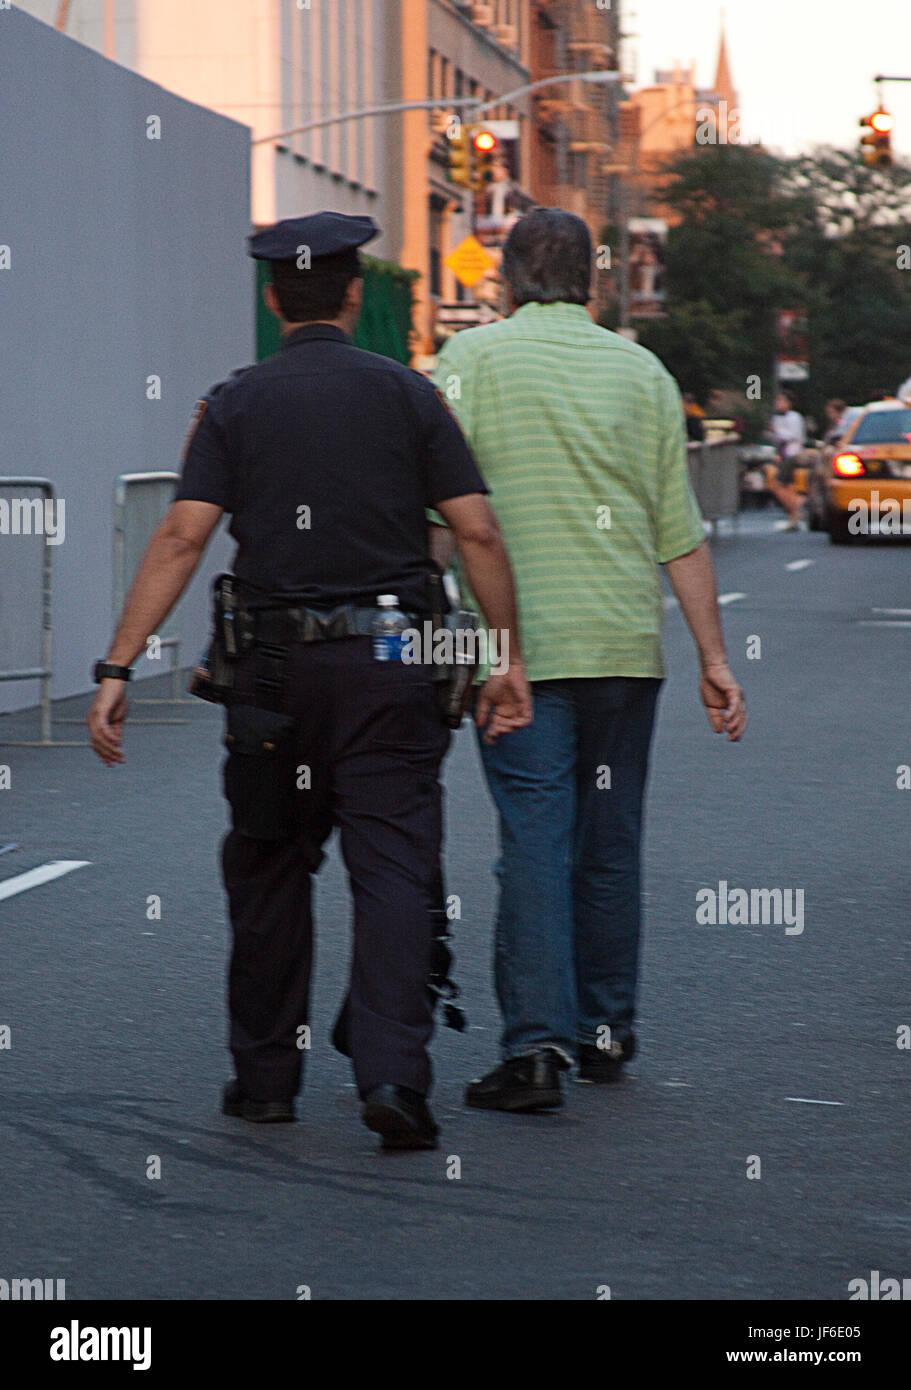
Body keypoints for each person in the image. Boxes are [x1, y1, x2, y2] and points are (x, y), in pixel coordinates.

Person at [87, 211, 531, 1151]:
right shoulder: (409, 395)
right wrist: (503, 659)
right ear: (355, 293)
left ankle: (265, 1083)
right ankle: (394, 1081)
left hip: (272, 673)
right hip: (397, 661)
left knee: (268, 866)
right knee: (395, 866)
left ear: (270, 298)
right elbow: (479, 532)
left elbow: (180, 536)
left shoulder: (235, 402)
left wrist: (120, 664)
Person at [431, 207, 746, 1114]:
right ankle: (605, 1032)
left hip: (514, 653)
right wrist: (712, 658)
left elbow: (443, 529)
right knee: (608, 845)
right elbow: (676, 533)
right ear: (592, 283)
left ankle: (533, 1051)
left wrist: (417, 643)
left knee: (534, 840)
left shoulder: (470, 364)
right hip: (621, 648)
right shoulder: (642, 371)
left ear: (506, 279)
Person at [766, 388, 806, 530]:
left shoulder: (794, 417)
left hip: (792, 454)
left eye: (781, 400)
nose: (778, 403)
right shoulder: (778, 418)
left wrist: (776, 431)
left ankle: (795, 510)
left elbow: (793, 435)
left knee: (777, 484)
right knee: (789, 486)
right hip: (783, 454)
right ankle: (794, 514)